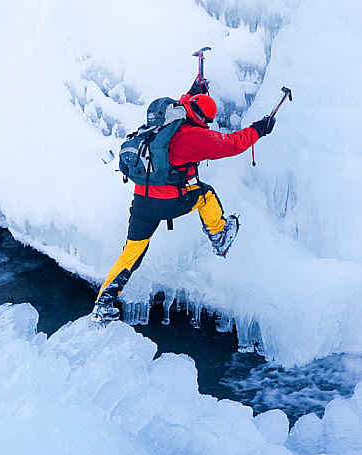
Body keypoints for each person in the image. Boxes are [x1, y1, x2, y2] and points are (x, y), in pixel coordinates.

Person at [91, 82, 276, 325]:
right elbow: (230, 144)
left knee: (131, 252)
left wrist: (195, 89)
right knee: (205, 194)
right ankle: (219, 235)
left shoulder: (164, 122)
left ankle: (103, 305)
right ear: (204, 119)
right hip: (167, 201)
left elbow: (186, 102)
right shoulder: (194, 136)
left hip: (142, 201)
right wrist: (259, 130)